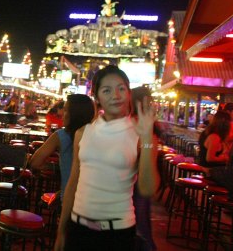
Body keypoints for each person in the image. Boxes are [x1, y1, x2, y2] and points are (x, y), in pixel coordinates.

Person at [55, 65, 158, 251]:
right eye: (107, 90)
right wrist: (62, 230)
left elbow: (148, 188)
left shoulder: (140, 134)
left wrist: (148, 138)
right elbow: (73, 183)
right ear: (98, 98)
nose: (115, 95)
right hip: (78, 229)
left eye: (121, 88)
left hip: (117, 234)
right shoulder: (83, 132)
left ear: (128, 93)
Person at [30, 94, 95, 203]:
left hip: (68, 200)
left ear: (74, 114)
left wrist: (57, 167)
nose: (61, 114)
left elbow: (35, 162)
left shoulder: (61, 136)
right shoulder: (98, 136)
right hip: (93, 202)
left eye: (65, 110)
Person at [131, 87, 159, 251]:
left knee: (141, 232)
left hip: (134, 186)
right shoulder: (141, 125)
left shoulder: (132, 124)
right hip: (136, 188)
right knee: (141, 232)